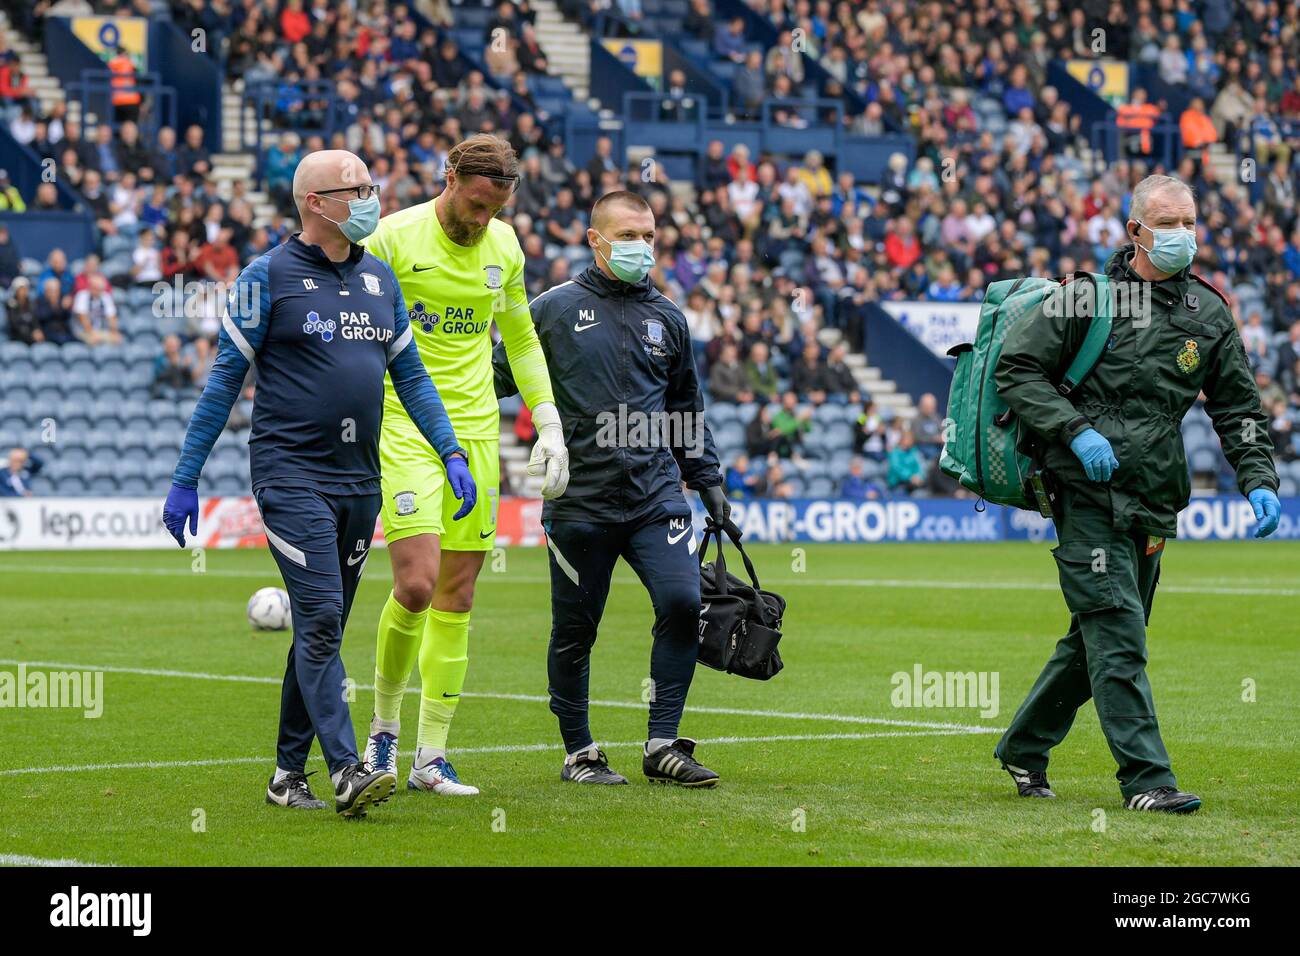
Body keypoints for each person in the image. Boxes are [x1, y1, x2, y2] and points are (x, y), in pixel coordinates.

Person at [161, 149, 476, 819]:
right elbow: (223, 382)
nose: (371, 198)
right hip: (289, 474)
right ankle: (345, 769)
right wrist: (186, 477)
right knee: (326, 616)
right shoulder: (264, 277)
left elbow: (412, 378)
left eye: (372, 186)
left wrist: (449, 450)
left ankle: (285, 775)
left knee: (318, 627)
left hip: (360, 480)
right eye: (357, 189)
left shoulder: (381, 281)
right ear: (316, 203)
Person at [994, 175, 1282, 814]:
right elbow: (1017, 369)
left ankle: (1022, 745)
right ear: (1134, 232)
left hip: (1154, 496)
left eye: (1190, 221)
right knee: (1118, 634)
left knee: (1095, 636)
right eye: (1168, 222)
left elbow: (1237, 408)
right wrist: (1076, 430)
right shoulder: (1083, 300)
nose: (1183, 235)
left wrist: (1259, 479)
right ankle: (1147, 780)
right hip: (1085, 490)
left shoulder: (1208, 314)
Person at [493, 189, 729, 786]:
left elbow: (685, 408)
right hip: (579, 501)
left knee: (682, 603)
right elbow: (493, 376)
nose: (642, 247)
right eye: (629, 236)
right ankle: (580, 751)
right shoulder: (550, 310)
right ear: (595, 240)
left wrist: (708, 481)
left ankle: (663, 744)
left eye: (649, 236)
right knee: (576, 630)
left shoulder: (670, 318)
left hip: (655, 496)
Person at [360, 134, 567, 797]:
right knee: (416, 585)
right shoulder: (392, 239)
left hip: (477, 434)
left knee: (457, 597)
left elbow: (522, 337)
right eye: (475, 205)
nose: (482, 222)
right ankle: (382, 735)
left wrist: (549, 419)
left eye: (495, 209)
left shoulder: (504, 247)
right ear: (449, 178)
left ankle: (431, 757)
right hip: (406, 425)